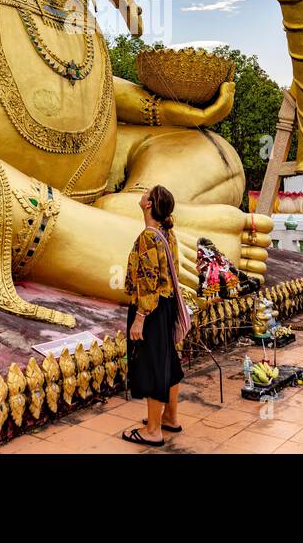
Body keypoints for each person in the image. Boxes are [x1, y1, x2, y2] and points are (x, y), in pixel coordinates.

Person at [121, 185, 190, 447]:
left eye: (145, 193)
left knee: (151, 365)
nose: (141, 195)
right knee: (168, 361)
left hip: (151, 308)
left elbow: (149, 280)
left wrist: (140, 317)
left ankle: (152, 430)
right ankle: (170, 416)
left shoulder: (148, 238)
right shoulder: (167, 233)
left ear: (149, 204)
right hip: (166, 305)